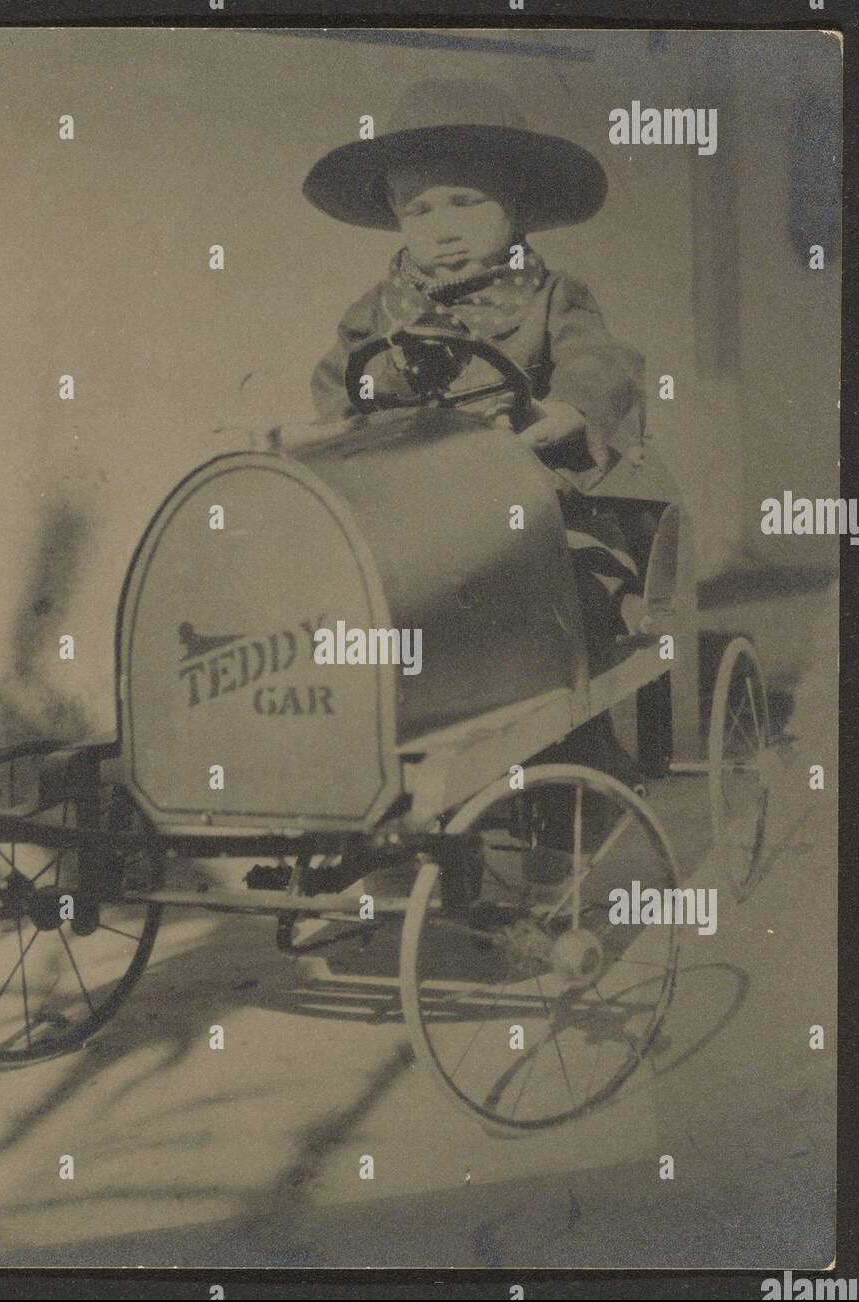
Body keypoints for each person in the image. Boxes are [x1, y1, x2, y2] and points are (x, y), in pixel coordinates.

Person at [302, 78, 650, 811]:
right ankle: (377, 758)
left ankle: (575, 740)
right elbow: (335, 390)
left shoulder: (553, 296)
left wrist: (568, 408)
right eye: (417, 209)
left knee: (566, 591)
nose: (441, 227)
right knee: (355, 596)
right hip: (412, 511)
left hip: (528, 494)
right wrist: (329, 439)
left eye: (466, 203)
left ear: (517, 207)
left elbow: (601, 361)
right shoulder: (374, 314)